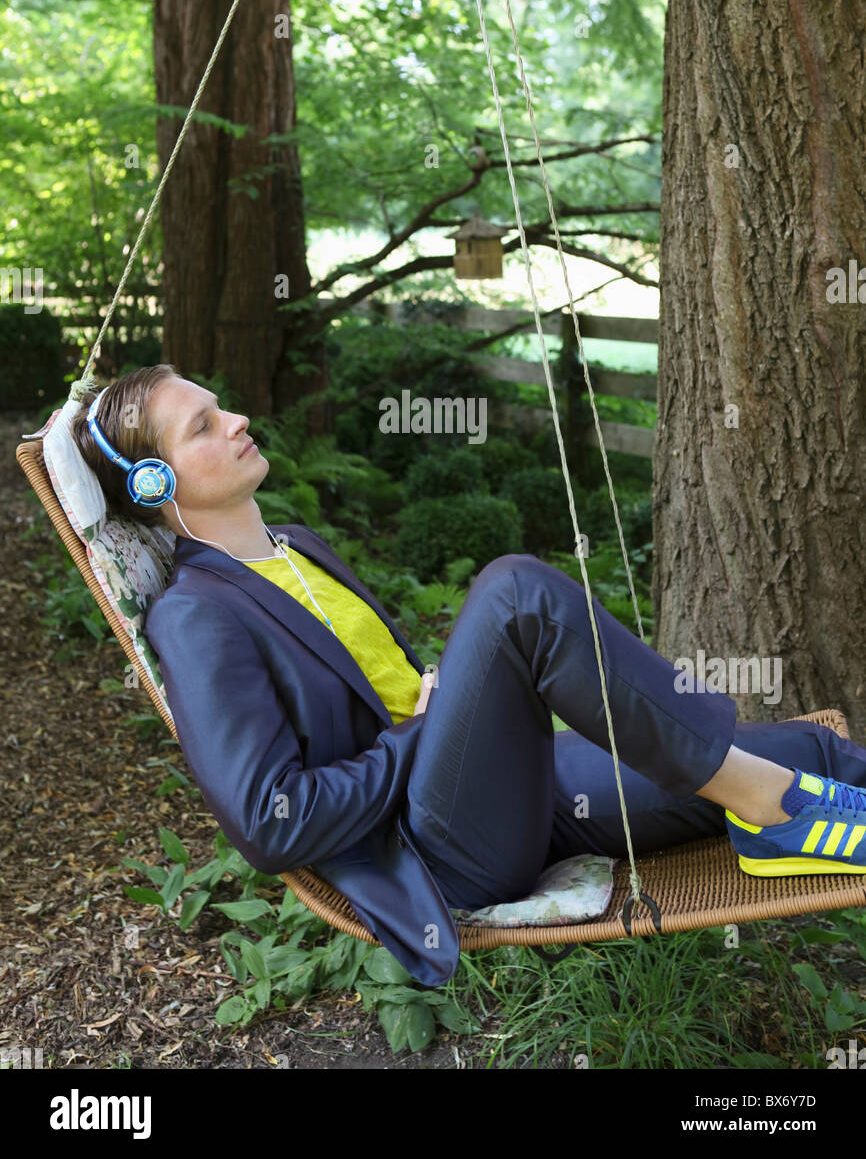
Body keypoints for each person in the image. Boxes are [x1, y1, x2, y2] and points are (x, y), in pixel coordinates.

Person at [71, 364, 866, 986]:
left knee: (804, 754)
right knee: (517, 594)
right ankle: (772, 812)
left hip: (499, 791)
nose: (238, 420)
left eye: (222, 406)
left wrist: (447, 714)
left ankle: (779, 798)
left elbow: (392, 687)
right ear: (154, 483)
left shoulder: (294, 545)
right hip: (434, 846)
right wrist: (422, 732)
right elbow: (273, 822)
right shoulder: (196, 615)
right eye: (204, 425)